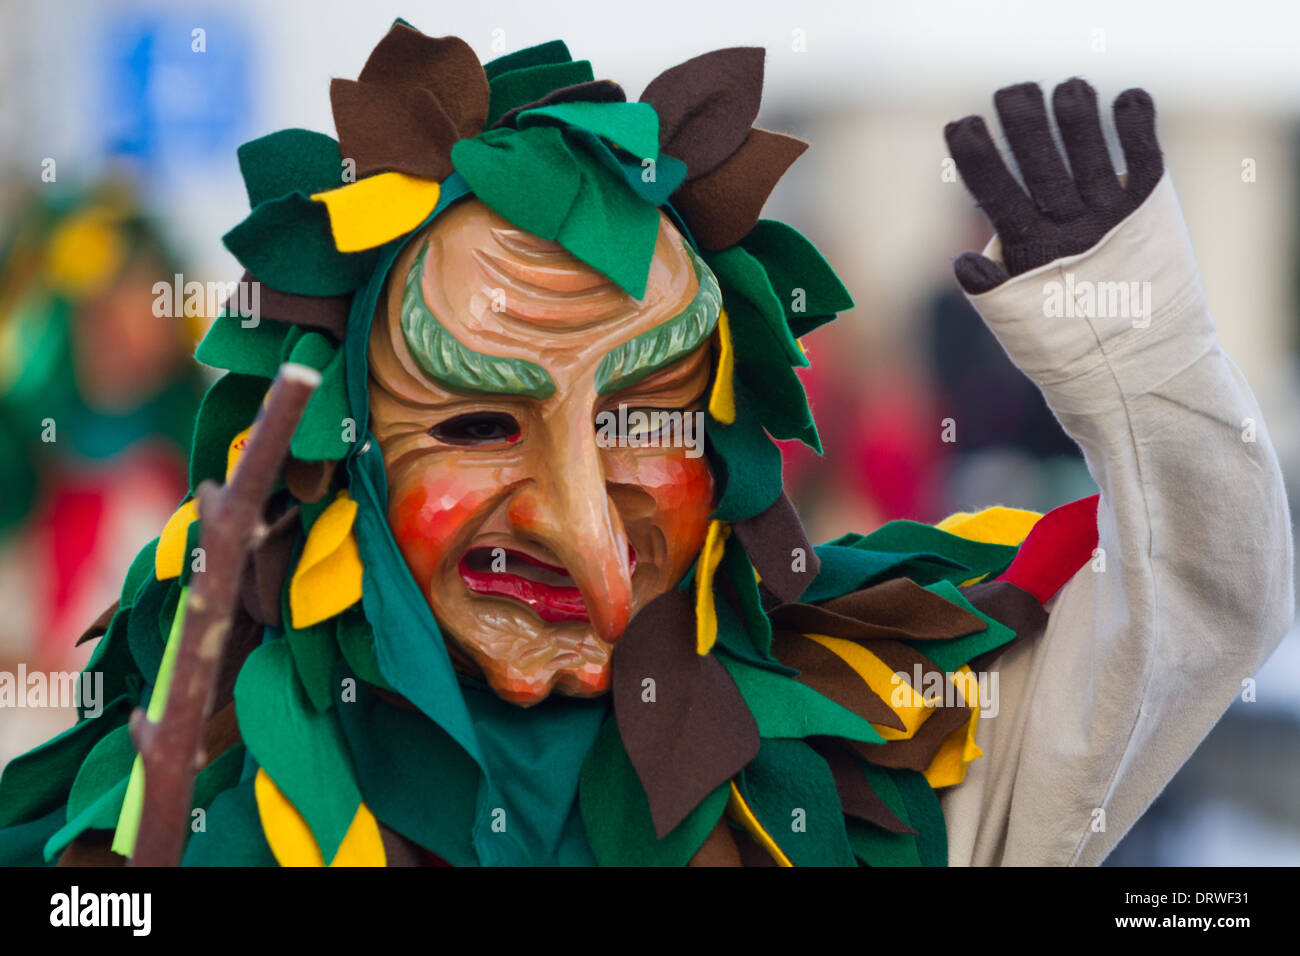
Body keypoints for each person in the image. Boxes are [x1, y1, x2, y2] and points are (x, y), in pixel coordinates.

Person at [0, 21, 1289, 867]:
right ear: (351, 460)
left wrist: (1137, 358)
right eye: (479, 420)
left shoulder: (871, 764)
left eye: (640, 420)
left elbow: (1189, 617)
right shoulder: (174, 808)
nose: (584, 526)